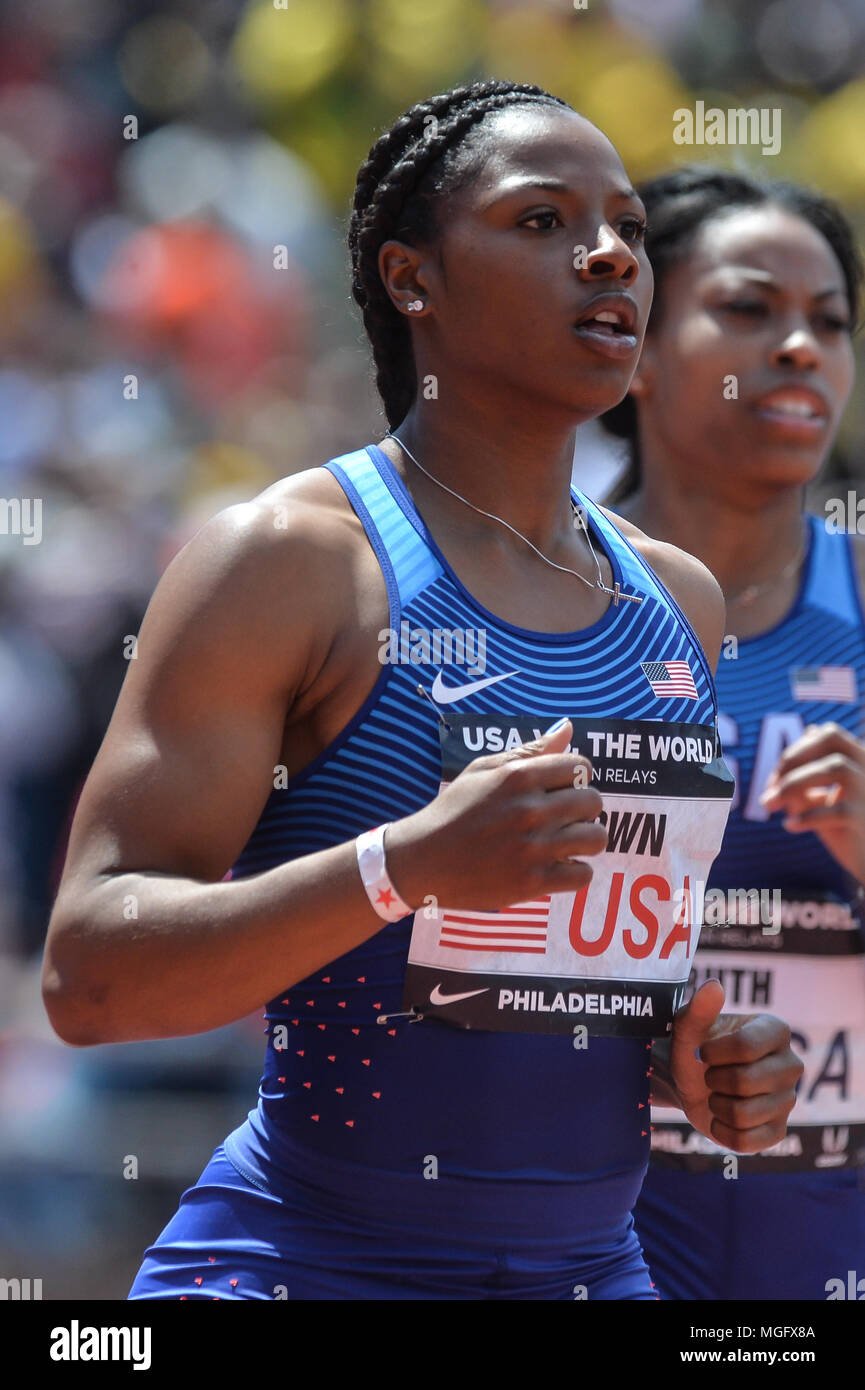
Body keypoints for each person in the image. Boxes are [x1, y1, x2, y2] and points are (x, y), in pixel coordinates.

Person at [42, 82, 801, 1302]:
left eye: (625, 230)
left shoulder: (678, 603)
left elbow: (578, 980)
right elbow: (87, 975)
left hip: (594, 1272)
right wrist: (402, 865)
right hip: (309, 1263)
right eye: (543, 221)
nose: (609, 253)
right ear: (412, 279)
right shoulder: (289, 563)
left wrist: (693, 1058)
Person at [601, 166, 865, 1300]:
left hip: (826, 1252)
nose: (800, 347)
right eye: (750, 309)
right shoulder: (515, 606)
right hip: (560, 1240)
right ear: (639, 347)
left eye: (830, 322)